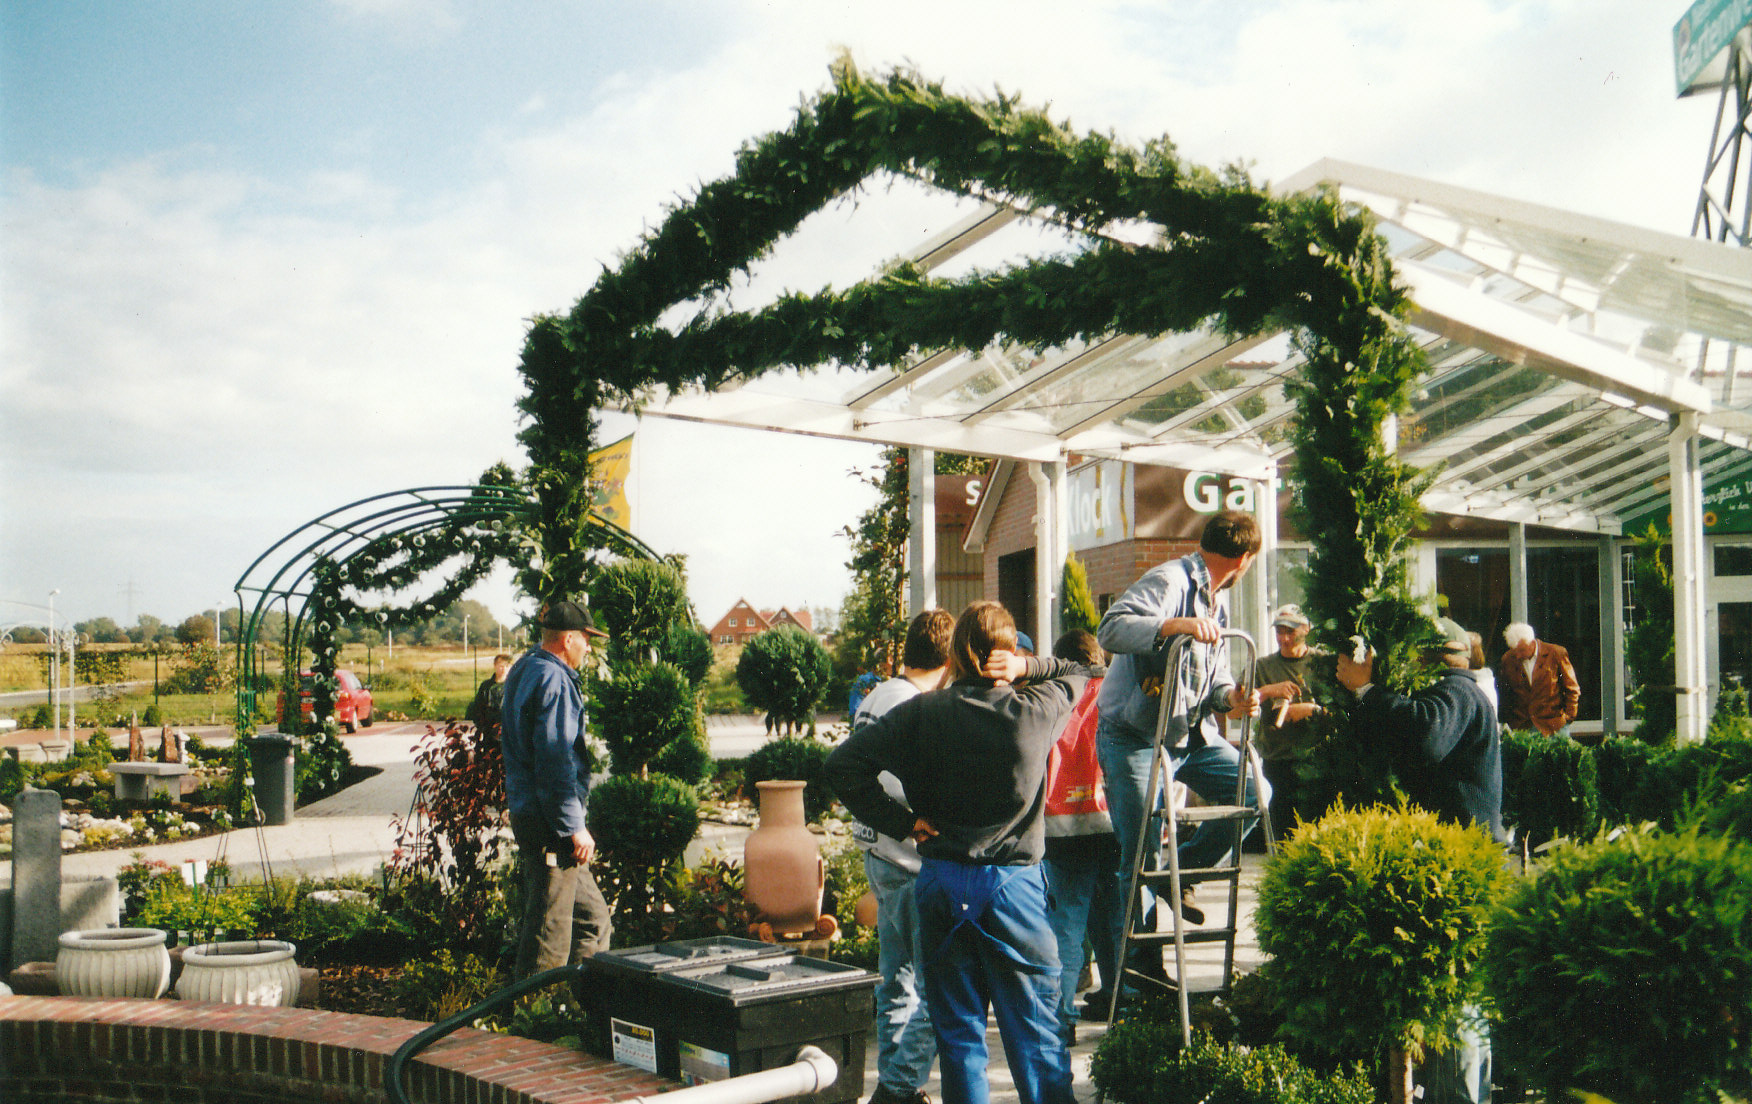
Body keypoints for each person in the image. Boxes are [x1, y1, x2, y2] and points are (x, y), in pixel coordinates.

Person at [825, 601, 1095, 1104]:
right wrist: (1028, 667)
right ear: (1006, 654)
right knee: (1037, 1041)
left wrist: (902, 824)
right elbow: (1084, 667)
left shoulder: (919, 713)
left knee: (960, 1042)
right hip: (1013, 889)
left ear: (954, 654)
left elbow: (843, 766)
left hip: (941, 883)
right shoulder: (1034, 711)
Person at [1335, 616, 1506, 1104]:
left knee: (1457, 997)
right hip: (1460, 856)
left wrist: (1369, 689)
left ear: (1430, 659)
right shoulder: (1458, 692)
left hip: (1465, 861)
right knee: (1458, 998)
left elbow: (1422, 735)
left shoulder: (1457, 691)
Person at [1095, 510, 1264, 948]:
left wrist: (1233, 699)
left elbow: (1215, 678)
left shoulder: (1216, 598)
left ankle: (1181, 874)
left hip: (1188, 734)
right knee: (1141, 854)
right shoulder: (1171, 581)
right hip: (1133, 737)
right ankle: (1140, 976)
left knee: (1253, 790)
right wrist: (1174, 625)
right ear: (1244, 558)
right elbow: (1110, 629)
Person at [849, 608, 956, 1104]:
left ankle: (898, 1086)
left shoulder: (878, 695)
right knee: (941, 991)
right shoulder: (912, 707)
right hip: (909, 863)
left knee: (897, 983)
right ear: (950, 658)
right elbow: (899, 785)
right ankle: (896, 1088)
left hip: (880, 857)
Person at [501, 599, 612, 980]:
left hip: (536, 816)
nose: (589, 646)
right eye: (585, 638)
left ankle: (579, 1008)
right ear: (567, 640)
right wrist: (573, 825)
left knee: (593, 920)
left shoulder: (524, 669)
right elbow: (554, 759)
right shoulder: (554, 678)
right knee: (550, 929)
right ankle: (534, 1024)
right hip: (553, 825)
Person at [1039, 629, 1121, 1043]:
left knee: (1066, 926)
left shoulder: (1054, 694)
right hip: (1111, 823)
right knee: (1112, 920)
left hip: (1062, 828)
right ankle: (1120, 1002)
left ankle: (1061, 1020)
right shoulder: (1114, 691)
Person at [1254, 604, 1326, 842]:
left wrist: (1311, 710)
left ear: (1306, 629)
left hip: (1316, 762)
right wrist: (1267, 691)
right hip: (1277, 762)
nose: (1284, 638)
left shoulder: (1323, 663)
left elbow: (1343, 710)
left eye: (1291, 632)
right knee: (1282, 837)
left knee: (1316, 836)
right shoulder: (1262, 667)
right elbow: (1235, 704)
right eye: (1279, 632)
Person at [1497, 622, 1579, 738]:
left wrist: (1568, 717)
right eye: (1514, 651)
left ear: (1531, 643)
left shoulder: (1555, 653)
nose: (1518, 655)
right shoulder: (1508, 659)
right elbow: (1505, 693)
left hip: (1554, 726)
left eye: (1521, 650)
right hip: (1522, 727)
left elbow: (1572, 688)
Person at [466, 653, 514, 744]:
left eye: (507, 666)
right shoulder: (486, 686)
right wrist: (481, 726)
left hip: (507, 729)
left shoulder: (513, 686)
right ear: (495, 666)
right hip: (488, 728)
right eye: (501, 666)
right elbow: (478, 706)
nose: (504, 669)